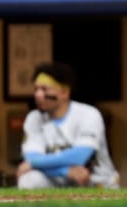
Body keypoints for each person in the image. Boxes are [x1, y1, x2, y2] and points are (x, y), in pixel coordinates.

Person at [16, 61, 119, 189]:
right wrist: (65, 171)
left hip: (94, 181)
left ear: (64, 93)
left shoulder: (88, 114)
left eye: (45, 89)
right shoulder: (34, 118)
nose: (38, 95)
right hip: (57, 180)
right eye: (36, 89)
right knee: (29, 179)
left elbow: (79, 156)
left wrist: (32, 164)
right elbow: (32, 157)